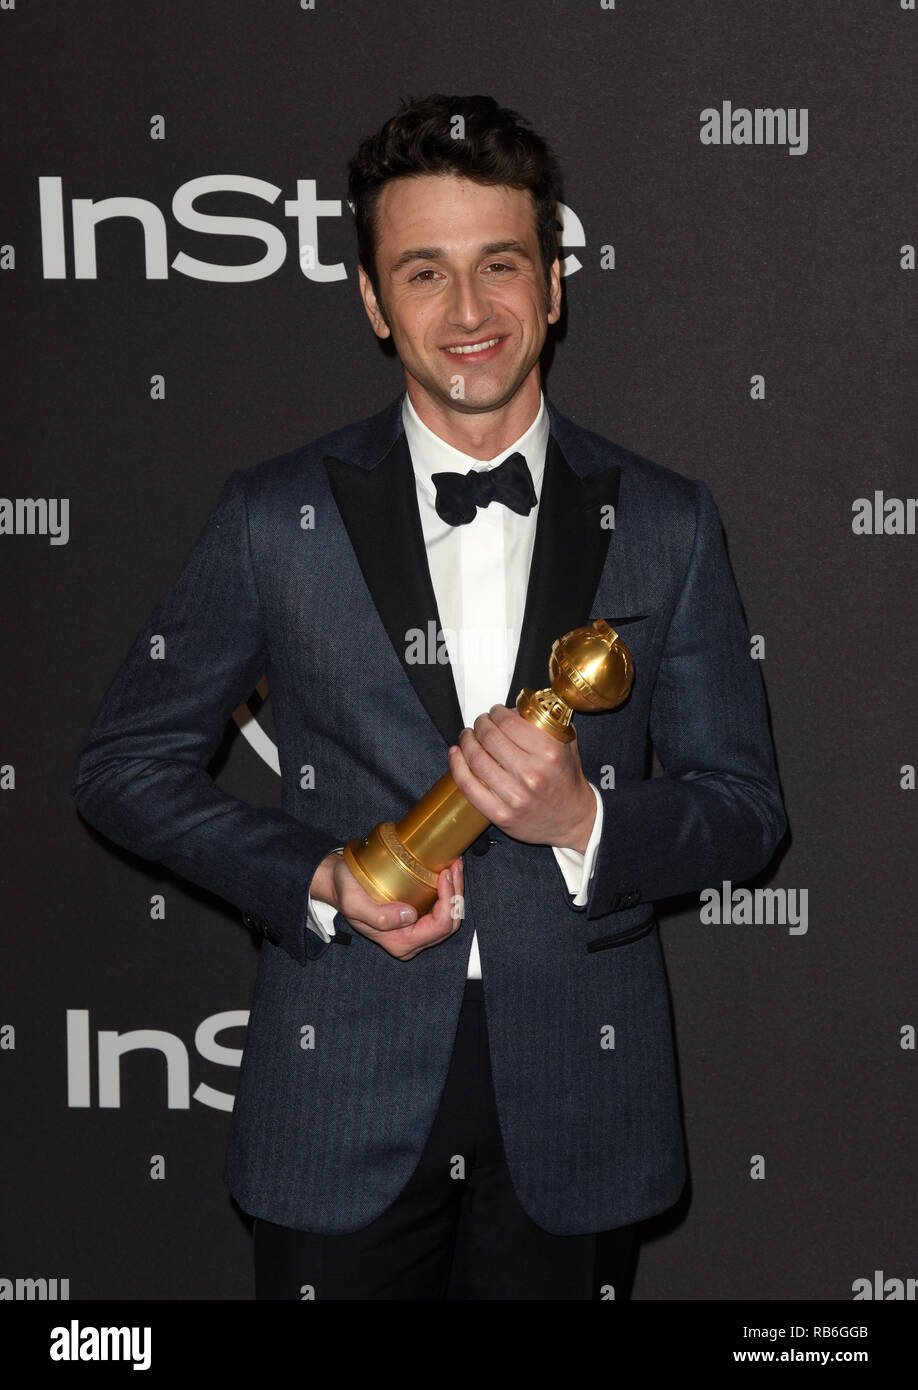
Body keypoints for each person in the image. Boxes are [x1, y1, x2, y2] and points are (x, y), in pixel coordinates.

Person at [72, 93, 786, 1300]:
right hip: (338, 1096)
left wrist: (586, 823)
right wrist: (319, 874)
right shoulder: (273, 516)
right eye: (423, 272)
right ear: (372, 301)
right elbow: (122, 766)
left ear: (554, 285)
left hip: (579, 1103)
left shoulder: (666, 520)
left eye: (500, 266)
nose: (468, 313)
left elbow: (747, 807)